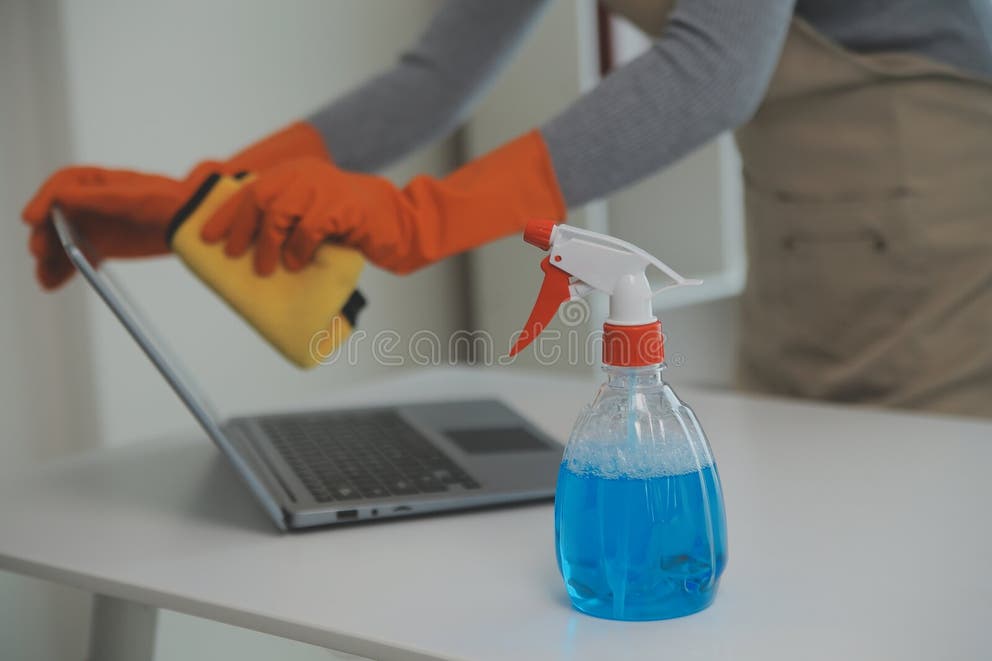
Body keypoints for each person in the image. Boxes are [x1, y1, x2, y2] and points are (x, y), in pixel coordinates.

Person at [21, 1, 992, 417]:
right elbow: (434, 75)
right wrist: (202, 205)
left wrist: (423, 217)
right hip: (804, 212)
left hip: (922, 186)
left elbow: (710, 70)